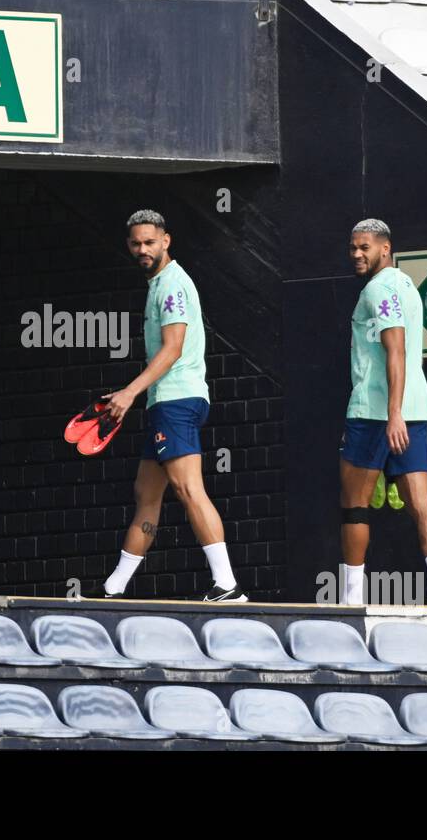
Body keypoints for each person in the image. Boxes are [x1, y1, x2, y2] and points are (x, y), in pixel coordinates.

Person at [96, 209, 246, 602]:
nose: (142, 249)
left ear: (166, 241)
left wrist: (129, 393)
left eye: (149, 242)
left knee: (188, 487)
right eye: (135, 243)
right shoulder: (158, 284)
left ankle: (227, 584)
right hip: (164, 402)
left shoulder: (172, 286)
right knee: (146, 492)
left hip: (176, 399)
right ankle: (113, 588)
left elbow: (173, 349)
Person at [339, 218, 427, 606]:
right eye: (353, 247)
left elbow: (396, 349)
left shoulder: (380, 289)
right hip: (414, 409)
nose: (356, 254)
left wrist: (393, 413)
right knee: (421, 502)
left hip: (377, 413)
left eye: (364, 247)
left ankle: (352, 600)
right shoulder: (406, 284)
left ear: (385, 248)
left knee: (354, 506)